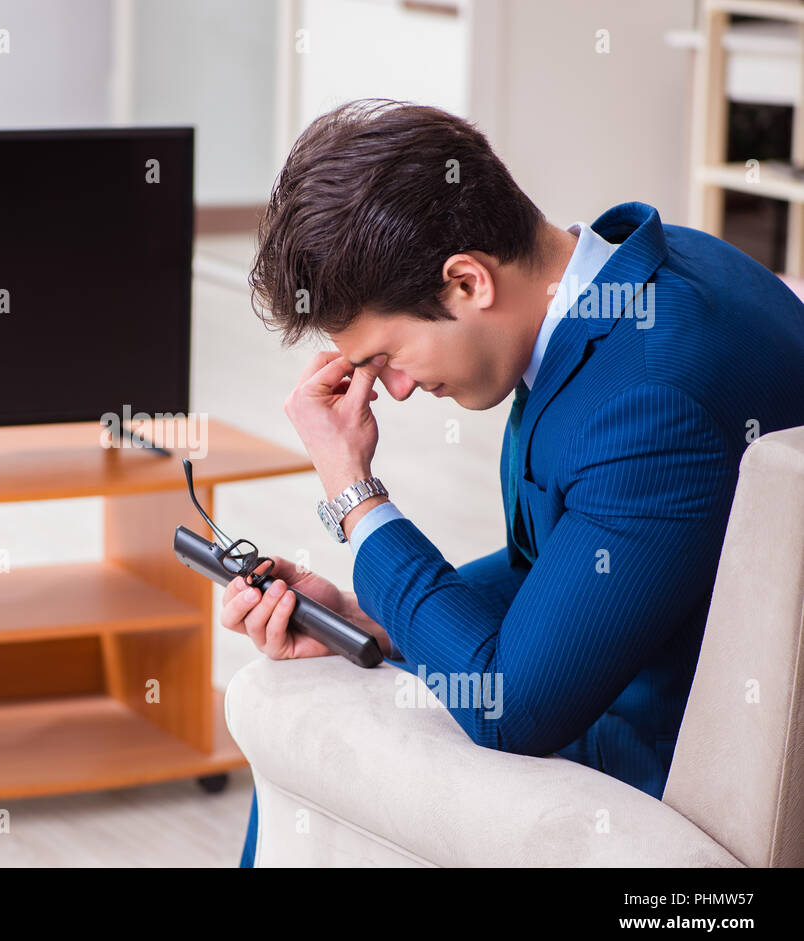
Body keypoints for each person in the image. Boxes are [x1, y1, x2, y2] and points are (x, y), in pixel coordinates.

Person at [225, 98, 804, 867]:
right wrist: (373, 619)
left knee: (289, 711)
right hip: (612, 675)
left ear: (467, 282)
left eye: (386, 356)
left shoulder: (647, 403)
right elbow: (579, 559)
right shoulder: (653, 274)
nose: (392, 390)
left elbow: (509, 706)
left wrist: (355, 495)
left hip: (642, 797)